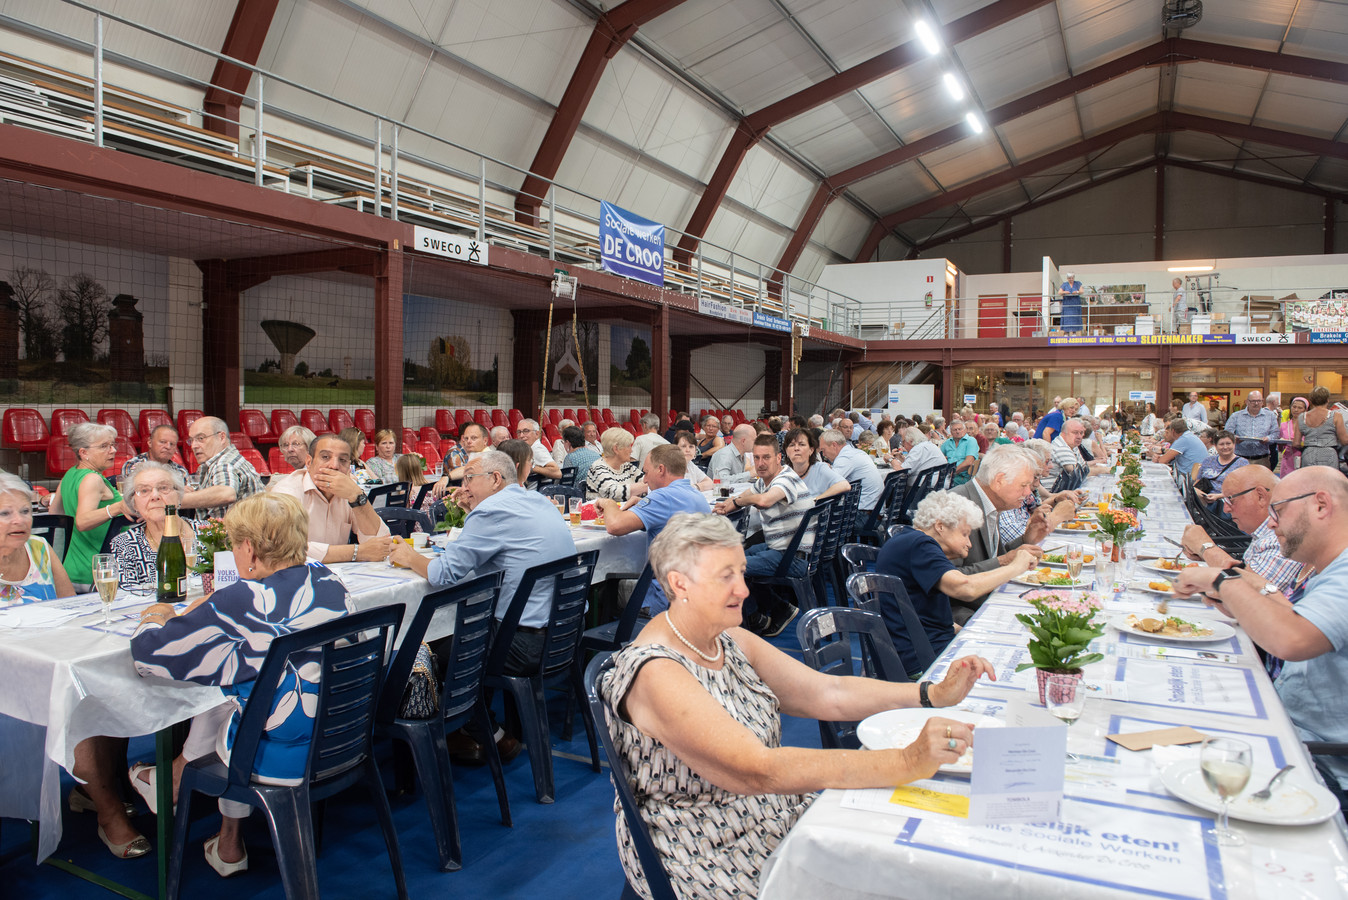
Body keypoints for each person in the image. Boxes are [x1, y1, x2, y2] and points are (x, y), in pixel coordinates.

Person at [598, 513, 996, 900]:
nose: (745, 589)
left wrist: (929, 694)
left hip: (769, 810)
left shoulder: (727, 637)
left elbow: (827, 692)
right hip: (708, 846)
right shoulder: (656, 671)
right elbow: (759, 770)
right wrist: (906, 761)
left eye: (741, 571)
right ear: (678, 583)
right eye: (726, 576)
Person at [130, 492, 354, 875]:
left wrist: (156, 614)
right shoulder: (328, 577)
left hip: (283, 753)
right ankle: (224, 838)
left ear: (249, 549)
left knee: (227, 700)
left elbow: (147, 658)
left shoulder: (246, 598)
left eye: (234, 545)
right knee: (235, 687)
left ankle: (175, 782)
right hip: (341, 734)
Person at [1174, 467, 1348, 806]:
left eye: (1278, 511)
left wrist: (1221, 580)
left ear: (1321, 505)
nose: (1271, 523)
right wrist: (1240, 600)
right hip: (1280, 722)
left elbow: (1290, 638)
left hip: (1311, 761)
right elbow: (1286, 610)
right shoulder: (1331, 566)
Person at [389, 450, 575, 763]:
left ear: (495, 479)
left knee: (435, 651)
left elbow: (443, 574)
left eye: (469, 479)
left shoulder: (491, 512)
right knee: (469, 635)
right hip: (561, 636)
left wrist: (409, 558)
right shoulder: (538, 499)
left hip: (523, 645)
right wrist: (472, 510)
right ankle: (476, 733)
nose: (463, 487)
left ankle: (480, 732)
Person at [4, 473, 146, 857]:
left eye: (23, 511)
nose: (19, 521)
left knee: (109, 688)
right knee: (75, 702)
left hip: (53, 660)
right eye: (4, 514)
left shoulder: (39, 550)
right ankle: (108, 811)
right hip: (10, 681)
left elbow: (71, 608)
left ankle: (92, 789)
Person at [878, 492, 1036, 676]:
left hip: (921, 650)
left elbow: (919, 612)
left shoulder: (908, 540)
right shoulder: (920, 544)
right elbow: (964, 588)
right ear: (940, 526)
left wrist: (967, 632)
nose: (969, 543)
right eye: (964, 534)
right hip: (925, 660)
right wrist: (1016, 566)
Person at [945, 445, 1062, 620]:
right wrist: (1004, 561)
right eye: (1024, 485)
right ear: (999, 480)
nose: (1028, 492)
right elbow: (951, 583)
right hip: (962, 613)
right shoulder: (956, 506)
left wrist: (1027, 539)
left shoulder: (990, 501)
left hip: (986, 600)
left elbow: (992, 556)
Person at [595, 445, 712, 614]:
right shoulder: (695, 495)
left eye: (646, 472)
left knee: (600, 591)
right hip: (693, 590)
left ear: (661, 470)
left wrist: (608, 503)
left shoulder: (663, 496)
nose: (644, 480)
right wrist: (643, 505)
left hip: (662, 597)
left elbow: (614, 526)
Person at [266, 434, 395, 563]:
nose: (334, 466)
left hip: (340, 575)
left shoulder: (349, 491)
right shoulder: (287, 492)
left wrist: (357, 497)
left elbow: (381, 543)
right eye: (325, 457)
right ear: (309, 463)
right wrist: (357, 552)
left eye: (343, 460)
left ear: (349, 467)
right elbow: (286, 548)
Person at [1179, 465, 1304, 595]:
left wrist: (1205, 547)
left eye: (1230, 499)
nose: (1225, 509)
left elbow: (1248, 595)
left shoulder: (1282, 537)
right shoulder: (1264, 533)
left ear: (1260, 496)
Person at [51, 422, 130, 585]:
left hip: (73, 569)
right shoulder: (93, 479)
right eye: (104, 446)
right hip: (96, 572)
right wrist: (118, 507)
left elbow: (54, 516)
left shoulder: (70, 474)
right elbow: (82, 521)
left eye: (112, 445)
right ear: (83, 452)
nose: (113, 450)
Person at [110, 462, 197, 588]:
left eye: (163, 488)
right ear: (134, 504)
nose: (155, 496)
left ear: (179, 496)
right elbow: (128, 601)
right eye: (144, 490)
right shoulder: (125, 545)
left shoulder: (210, 533)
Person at [179, 416, 263, 522]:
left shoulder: (224, 463)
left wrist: (175, 500)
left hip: (235, 536)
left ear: (221, 437)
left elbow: (226, 493)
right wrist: (193, 493)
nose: (194, 446)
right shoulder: (226, 459)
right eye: (191, 440)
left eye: (201, 438)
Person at [816, 428, 883, 511]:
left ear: (834, 445)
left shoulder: (845, 457)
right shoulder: (855, 452)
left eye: (823, 450)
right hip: (873, 509)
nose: (824, 454)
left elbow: (827, 484)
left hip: (863, 512)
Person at [782, 428, 850, 501]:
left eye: (801, 444)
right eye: (792, 445)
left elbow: (844, 485)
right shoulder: (783, 473)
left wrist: (816, 500)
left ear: (811, 450)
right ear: (786, 451)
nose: (796, 448)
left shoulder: (820, 468)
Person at [1292, 386, 1348, 470]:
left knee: (1310, 482)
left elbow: (1296, 443)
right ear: (1327, 400)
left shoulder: (1302, 417)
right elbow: (1344, 441)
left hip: (1308, 454)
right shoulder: (1336, 416)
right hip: (1329, 454)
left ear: (1311, 401)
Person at [586, 427, 648, 502]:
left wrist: (647, 486)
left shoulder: (626, 466)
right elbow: (614, 493)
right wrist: (644, 487)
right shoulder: (598, 467)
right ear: (616, 449)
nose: (631, 450)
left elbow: (648, 481)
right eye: (628, 446)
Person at [1193, 431, 1249, 511]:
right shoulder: (1208, 461)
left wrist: (1219, 496)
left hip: (1227, 502)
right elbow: (1198, 482)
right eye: (1221, 444)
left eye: (1228, 444)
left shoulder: (1242, 463)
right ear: (1215, 446)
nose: (1225, 447)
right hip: (1204, 500)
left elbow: (1244, 489)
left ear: (1234, 444)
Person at [1226, 390, 1280, 468]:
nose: (1256, 403)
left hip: (1262, 459)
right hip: (1240, 459)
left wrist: (1268, 438)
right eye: (1253, 401)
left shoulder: (1270, 416)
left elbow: (1276, 433)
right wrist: (1234, 438)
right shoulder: (1236, 416)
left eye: (1259, 401)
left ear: (1262, 402)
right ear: (1247, 402)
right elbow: (1227, 433)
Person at [434, 420, 490, 496]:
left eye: (474, 438)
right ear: (463, 438)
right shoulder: (455, 453)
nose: (469, 441)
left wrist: (446, 477)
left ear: (485, 440)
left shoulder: (487, 454)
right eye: (467, 438)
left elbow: (470, 469)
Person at [120, 424, 187, 481]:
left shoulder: (180, 471)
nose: (168, 447)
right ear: (150, 442)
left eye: (172, 444)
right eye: (162, 442)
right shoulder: (132, 465)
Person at [938, 419, 979, 487]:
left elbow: (969, 462)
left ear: (965, 430)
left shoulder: (971, 441)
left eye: (960, 429)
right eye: (955, 430)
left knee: (935, 486)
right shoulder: (948, 442)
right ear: (951, 432)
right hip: (948, 476)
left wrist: (952, 472)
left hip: (963, 478)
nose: (958, 432)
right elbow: (938, 456)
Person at [1279, 396, 1308, 476]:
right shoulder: (1284, 425)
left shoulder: (1309, 425)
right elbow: (1280, 449)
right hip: (1287, 460)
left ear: (1306, 410)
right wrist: (1280, 442)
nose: (1296, 410)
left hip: (1303, 459)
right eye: (1294, 407)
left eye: (1300, 408)